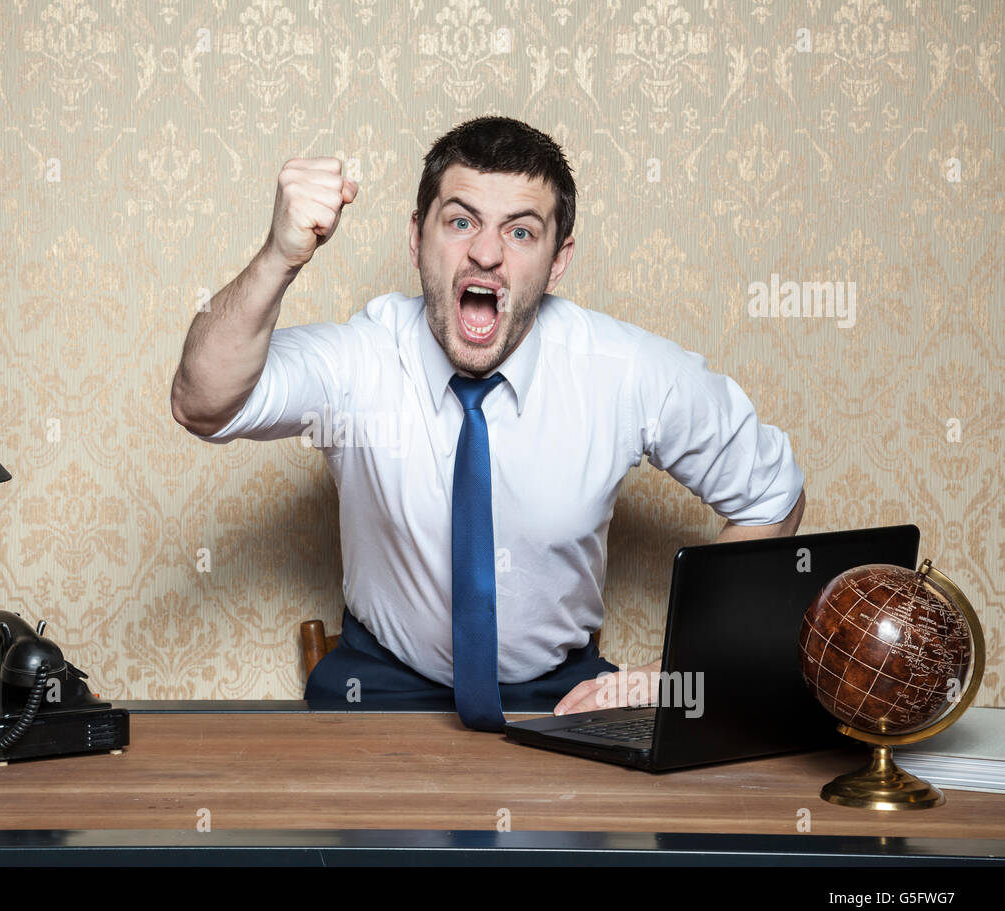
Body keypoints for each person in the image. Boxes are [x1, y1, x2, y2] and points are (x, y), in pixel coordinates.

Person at [170, 116, 806, 732]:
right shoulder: (360, 360)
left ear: (558, 262)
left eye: (522, 232)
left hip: (563, 695)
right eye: (461, 221)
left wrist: (678, 665)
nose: (485, 252)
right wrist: (281, 255)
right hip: (380, 686)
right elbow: (203, 401)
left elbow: (773, 495)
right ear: (417, 237)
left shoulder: (624, 371)